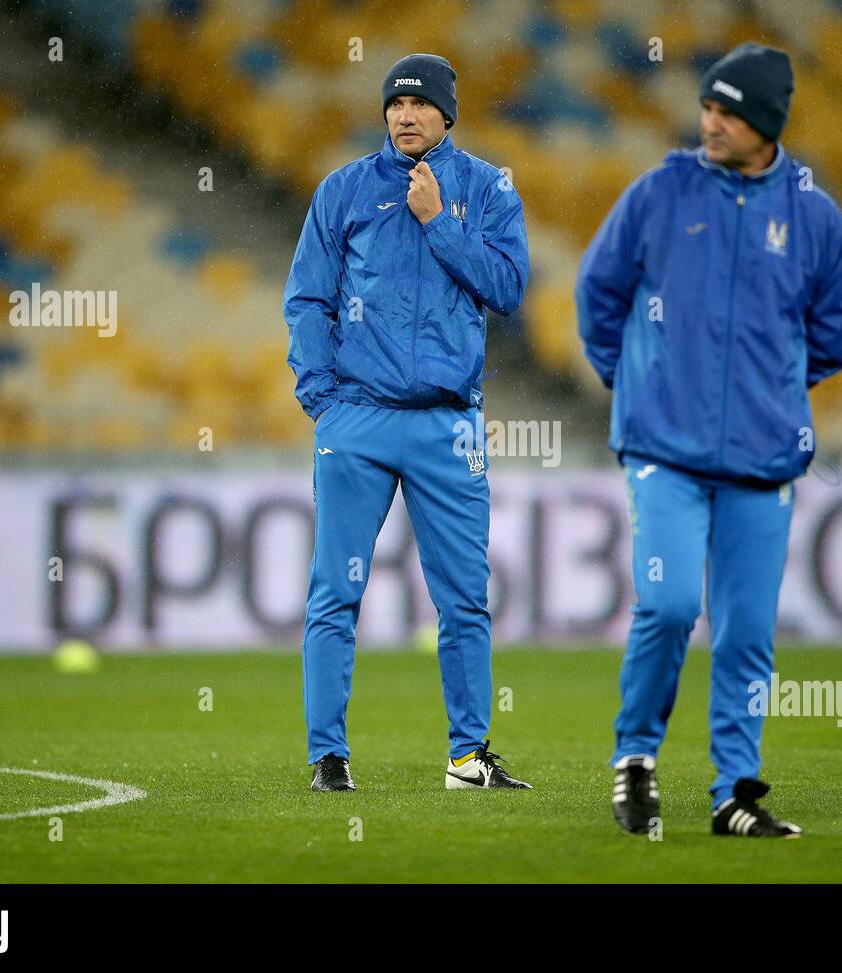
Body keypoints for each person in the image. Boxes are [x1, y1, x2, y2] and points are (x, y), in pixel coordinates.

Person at [576, 44, 842, 836]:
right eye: (708, 106)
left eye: (729, 112)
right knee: (667, 605)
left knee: (746, 633)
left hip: (762, 460)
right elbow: (599, 292)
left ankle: (734, 792)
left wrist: (767, 389)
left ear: (766, 123)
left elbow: (834, 332)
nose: (711, 122)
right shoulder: (661, 191)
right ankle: (636, 757)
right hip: (664, 449)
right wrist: (631, 378)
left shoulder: (814, 215)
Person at [282, 53, 532, 792]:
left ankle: (466, 757)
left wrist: (441, 224)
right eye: (395, 103)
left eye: (421, 104)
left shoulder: (486, 189)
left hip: (447, 424)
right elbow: (307, 300)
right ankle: (329, 756)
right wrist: (320, 398)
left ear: (448, 114)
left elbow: (511, 289)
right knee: (335, 592)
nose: (405, 115)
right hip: (356, 418)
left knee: (464, 599)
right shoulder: (345, 189)